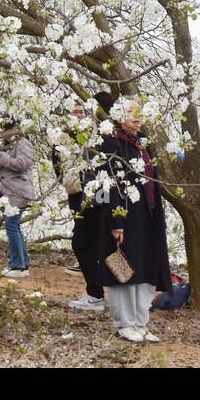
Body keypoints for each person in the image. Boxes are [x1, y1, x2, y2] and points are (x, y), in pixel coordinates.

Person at [93, 98, 172, 343]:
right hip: (123, 217)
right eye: (130, 113)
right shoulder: (110, 144)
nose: (136, 118)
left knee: (145, 269)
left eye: (139, 113)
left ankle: (140, 321)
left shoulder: (142, 144)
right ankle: (124, 322)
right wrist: (115, 220)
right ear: (118, 115)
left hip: (146, 217)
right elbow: (104, 187)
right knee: (123, 270)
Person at [59, 100, 105, 311]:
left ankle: (96, 293)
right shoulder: (63, 135)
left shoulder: (97, 135)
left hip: (95, 194)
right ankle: (95, 292)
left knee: (82, 243)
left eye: (81, 111)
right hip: (76, 193)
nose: (77, 114)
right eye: (74, 111)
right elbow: (59, 164)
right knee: (91, 243)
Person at [0, 119, 36, 278]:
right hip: (10, 191)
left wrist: (1, 158)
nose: (7, 132)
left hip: (19, 191)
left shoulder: (22, 143)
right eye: (4, 128)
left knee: (11, 225)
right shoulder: (8, 145)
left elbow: (22, 164)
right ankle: (23, 263)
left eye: (10, 128)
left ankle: (18, 265)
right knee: (13, 225)